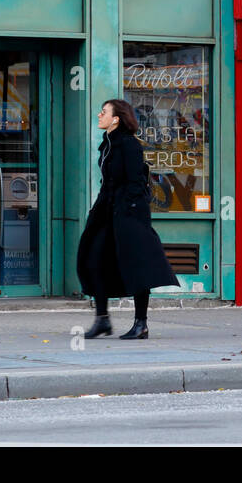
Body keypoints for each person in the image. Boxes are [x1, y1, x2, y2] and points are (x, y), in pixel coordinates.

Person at [76, 99, 179, 340]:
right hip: (107, 212)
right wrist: (99, 209)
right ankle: (102, 319)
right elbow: (107, 182)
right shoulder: (108, 144)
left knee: (137, 266)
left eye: (104, 112)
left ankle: (140, 324)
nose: (99, 115)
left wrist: (130, 211)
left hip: (129, 213)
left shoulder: (129, 145)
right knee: (95, 259)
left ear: (116, 119)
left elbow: (135, 182)